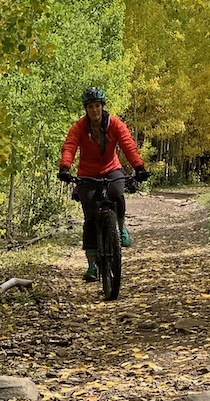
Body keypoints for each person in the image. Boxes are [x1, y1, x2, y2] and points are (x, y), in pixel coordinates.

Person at [59, 87, 150, 281]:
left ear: (103, 106)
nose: (94, 110)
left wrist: (139, 167)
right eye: (90, 106)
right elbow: (69, 146)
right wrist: (65, 168)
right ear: (86, 109)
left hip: (112, 168)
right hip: (87, 173)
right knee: (90, 217)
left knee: (117, 193)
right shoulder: (79, 127)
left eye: (97, 106)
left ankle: (120, 226)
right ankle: (92, 264)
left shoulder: (115, 124)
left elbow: (128, 145)